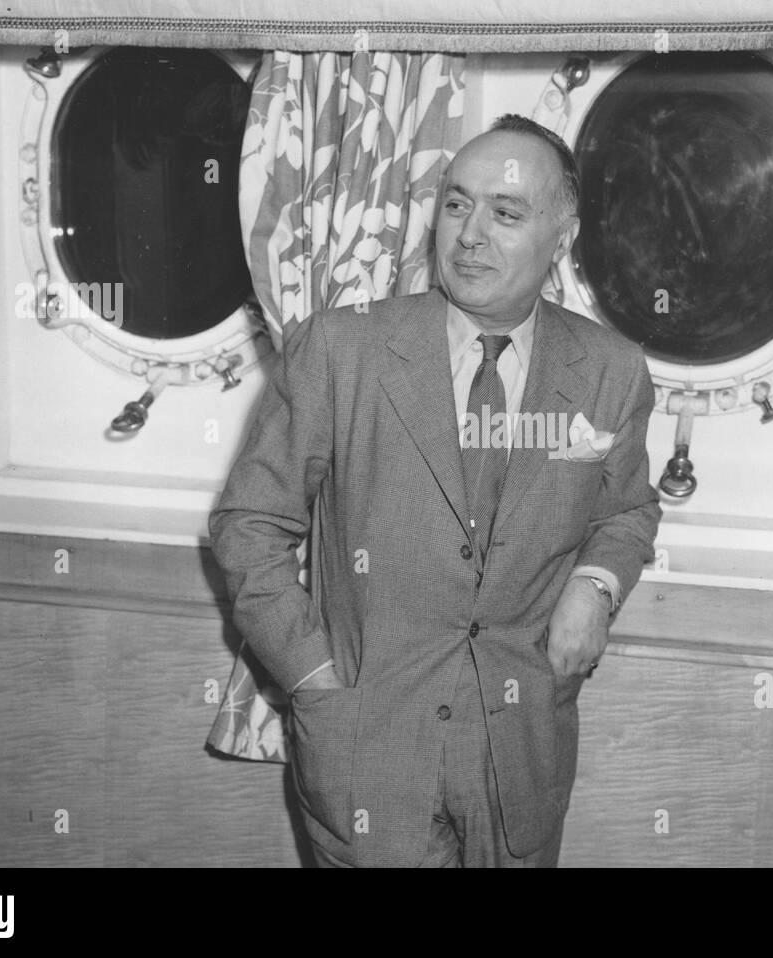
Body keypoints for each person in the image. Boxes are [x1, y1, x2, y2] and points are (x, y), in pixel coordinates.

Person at [209, 114, 661, 867]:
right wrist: (313, 678)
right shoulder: (340, 348)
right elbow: (248, 524)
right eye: (456, 204)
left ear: (564, 234)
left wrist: (597, 582)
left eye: (505, 212)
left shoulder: (611, 370)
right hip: (366, 752)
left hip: (521, 758)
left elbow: (628, 509)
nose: (470, 235)